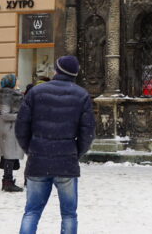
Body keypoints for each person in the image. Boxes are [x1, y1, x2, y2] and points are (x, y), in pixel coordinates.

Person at [16, 55, 94, 234]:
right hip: (66, 162)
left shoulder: (36, 92)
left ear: (57, 71)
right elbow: (87, 133)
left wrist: (32, 149)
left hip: (38, 160)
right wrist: (75, 152)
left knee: (32, 211)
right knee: (69, 214)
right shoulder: (82, 95)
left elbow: (21, 127)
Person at [0, 74, 25, 192]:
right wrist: (20, 116)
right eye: (16, 80)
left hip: (12, 128)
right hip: (8, 129)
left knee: (10, 155)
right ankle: (7, 182)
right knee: (10, 155)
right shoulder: (7, 95)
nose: (18, 81)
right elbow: (5, 114)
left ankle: (8, 181)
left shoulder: (12, 94)